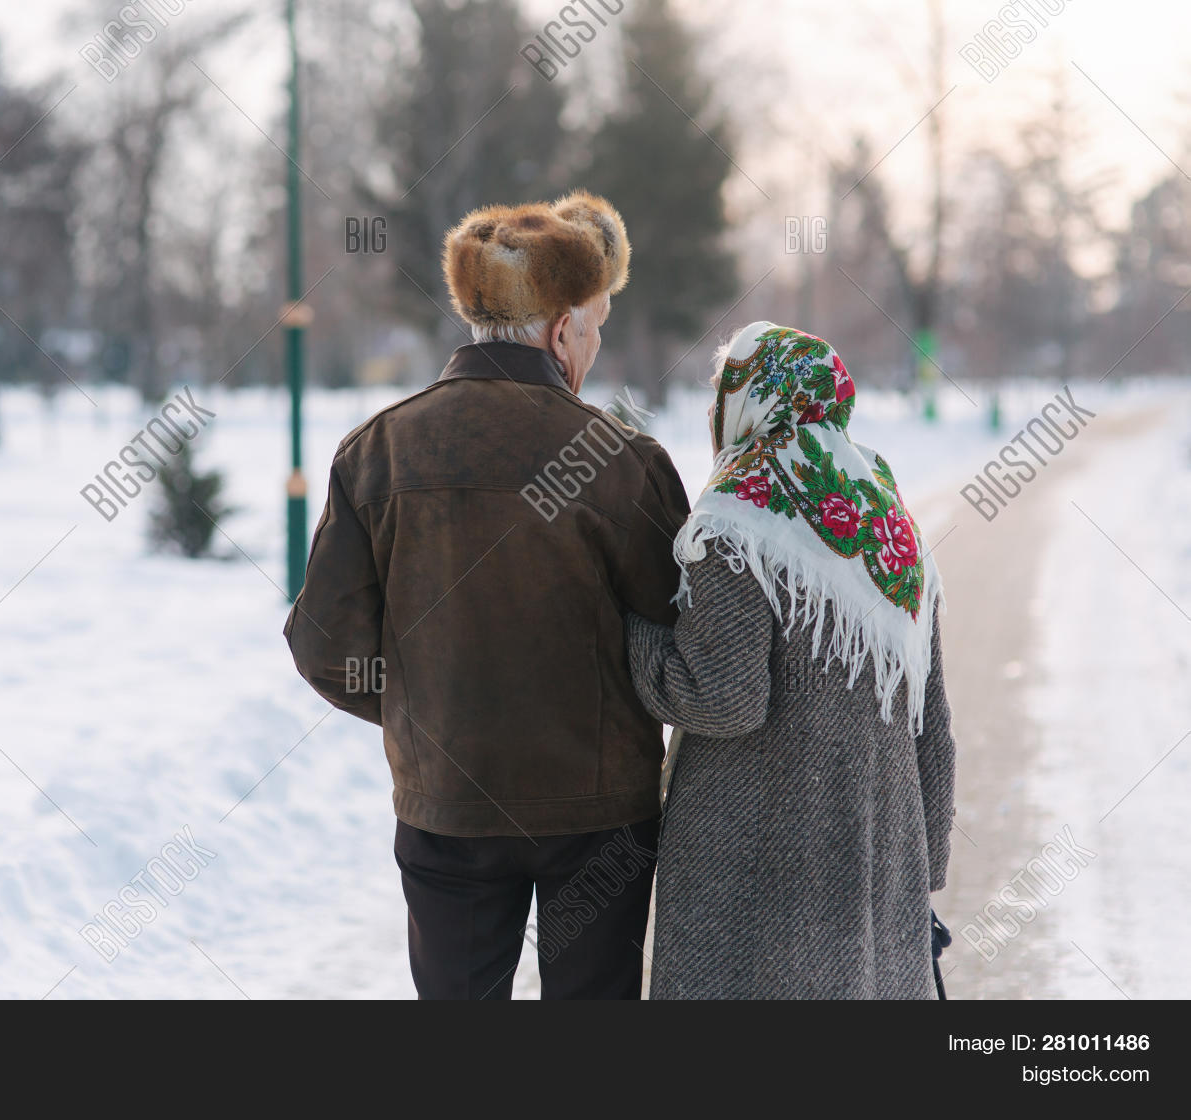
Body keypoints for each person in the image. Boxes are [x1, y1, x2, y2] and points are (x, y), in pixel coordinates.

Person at [285, 191, 690, 999]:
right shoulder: (621, 460)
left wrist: (426, 707)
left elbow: (323, 644)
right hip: (597, 816)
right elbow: (682, 633)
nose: (595, 347)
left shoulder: (378, 452)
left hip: (447, 810)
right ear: (562, 326)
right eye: (596, 327)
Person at [625, 321, 957, 999]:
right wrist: (918, 868)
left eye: (723, 389)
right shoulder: (883, 507)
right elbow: (933, 714)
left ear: (747, 400)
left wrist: (626, 635)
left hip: (757, 860)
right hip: (879, 845)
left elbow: (723, 696)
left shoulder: (738, 511)